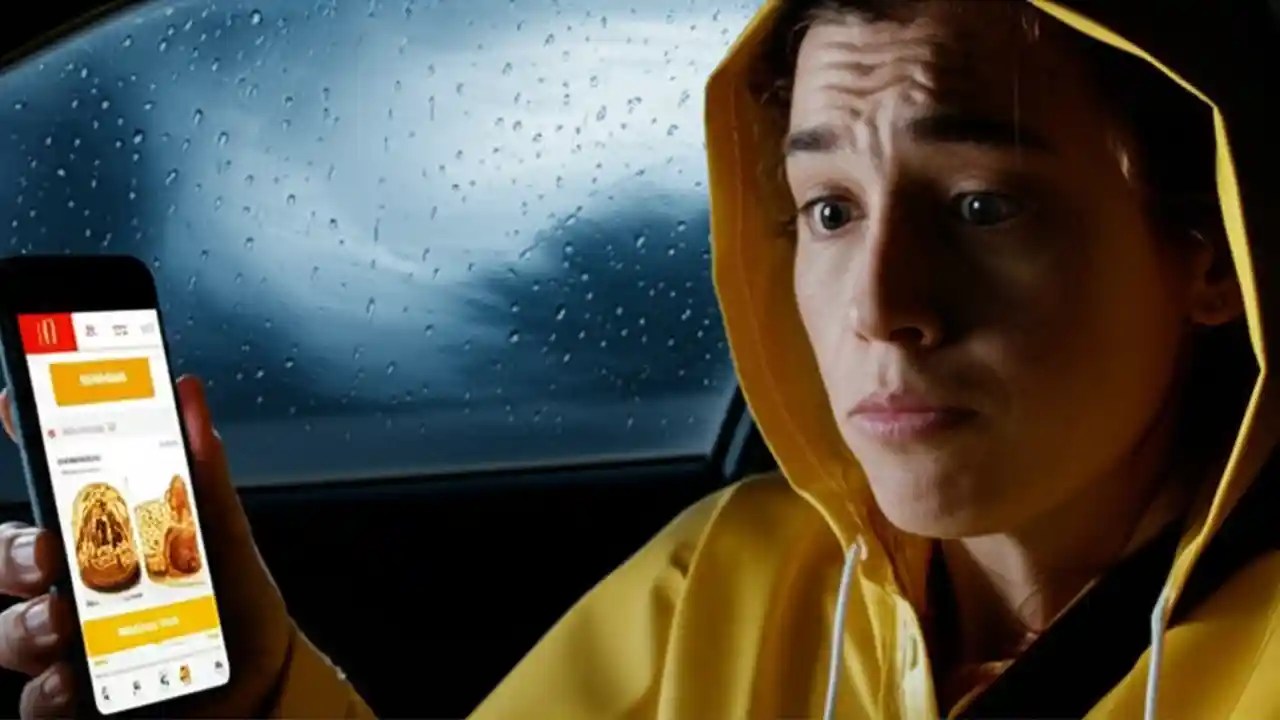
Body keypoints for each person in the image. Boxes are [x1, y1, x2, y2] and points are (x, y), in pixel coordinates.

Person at [0, 0, 1276, 717]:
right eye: (826, 209)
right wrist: (262, 691)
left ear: (1209, 252)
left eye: (982, 206)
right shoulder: (722, 578)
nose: (880, 307)